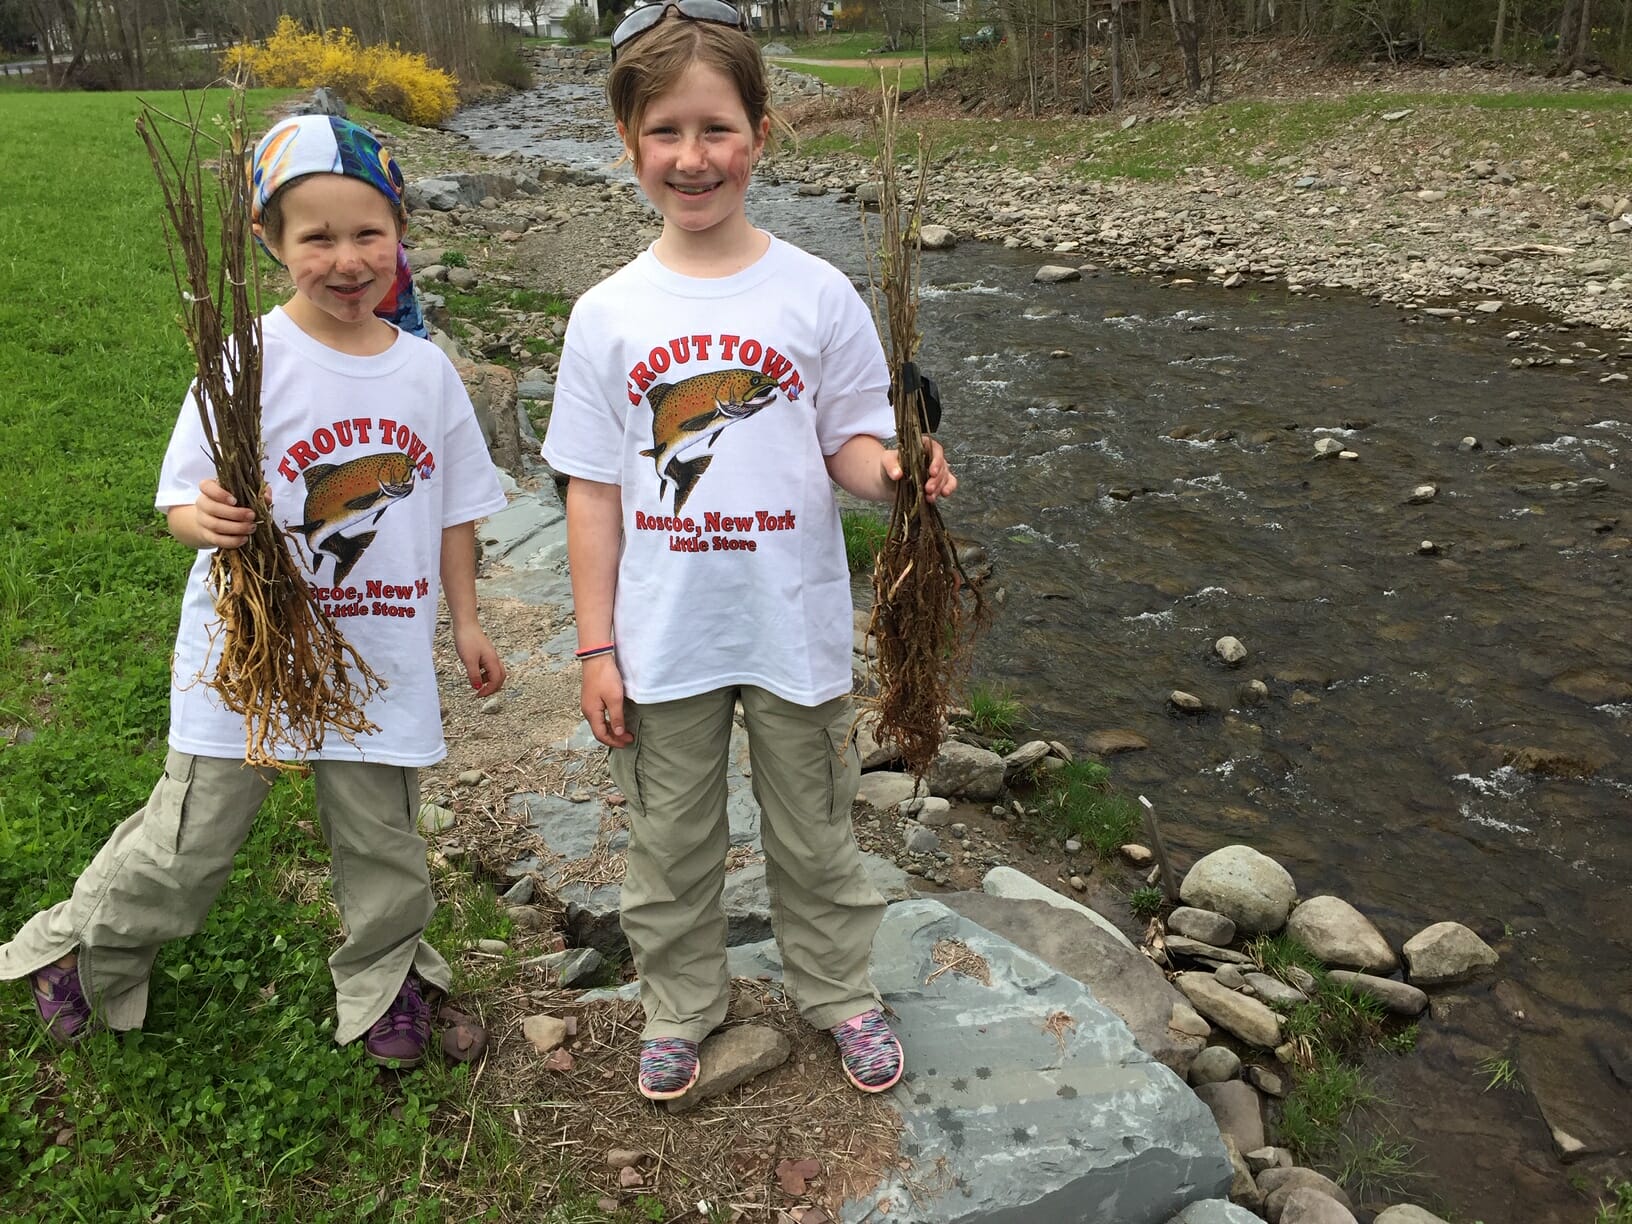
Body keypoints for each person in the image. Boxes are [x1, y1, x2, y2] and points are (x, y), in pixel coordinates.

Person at [0, 114, 509, 1068]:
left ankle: (388, 984)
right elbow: (178, 504)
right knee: (189, 835)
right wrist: (211, 521)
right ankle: (83, 954)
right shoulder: (245, 358)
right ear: (272, 244)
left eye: (370, 233)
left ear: (400, 234)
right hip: (247, 652)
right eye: (317, 236)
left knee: (383, 841)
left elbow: (454, 513)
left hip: (378, 652)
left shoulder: (426, 372)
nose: (348, 258)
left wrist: (469, 623)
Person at [541, 0, 957, 1101]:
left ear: (761, 133)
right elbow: (590, 491)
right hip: (663, 637)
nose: (693, 156)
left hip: (794, 626)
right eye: (667, 132)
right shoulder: (607, 314)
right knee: (668, 847)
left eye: (717, 128)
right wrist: (596, 648)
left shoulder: (816, 295)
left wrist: (900, 472)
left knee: (817, 836)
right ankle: (682, 1001)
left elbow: (849, 449)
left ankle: (836, 989)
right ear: (630, 145)